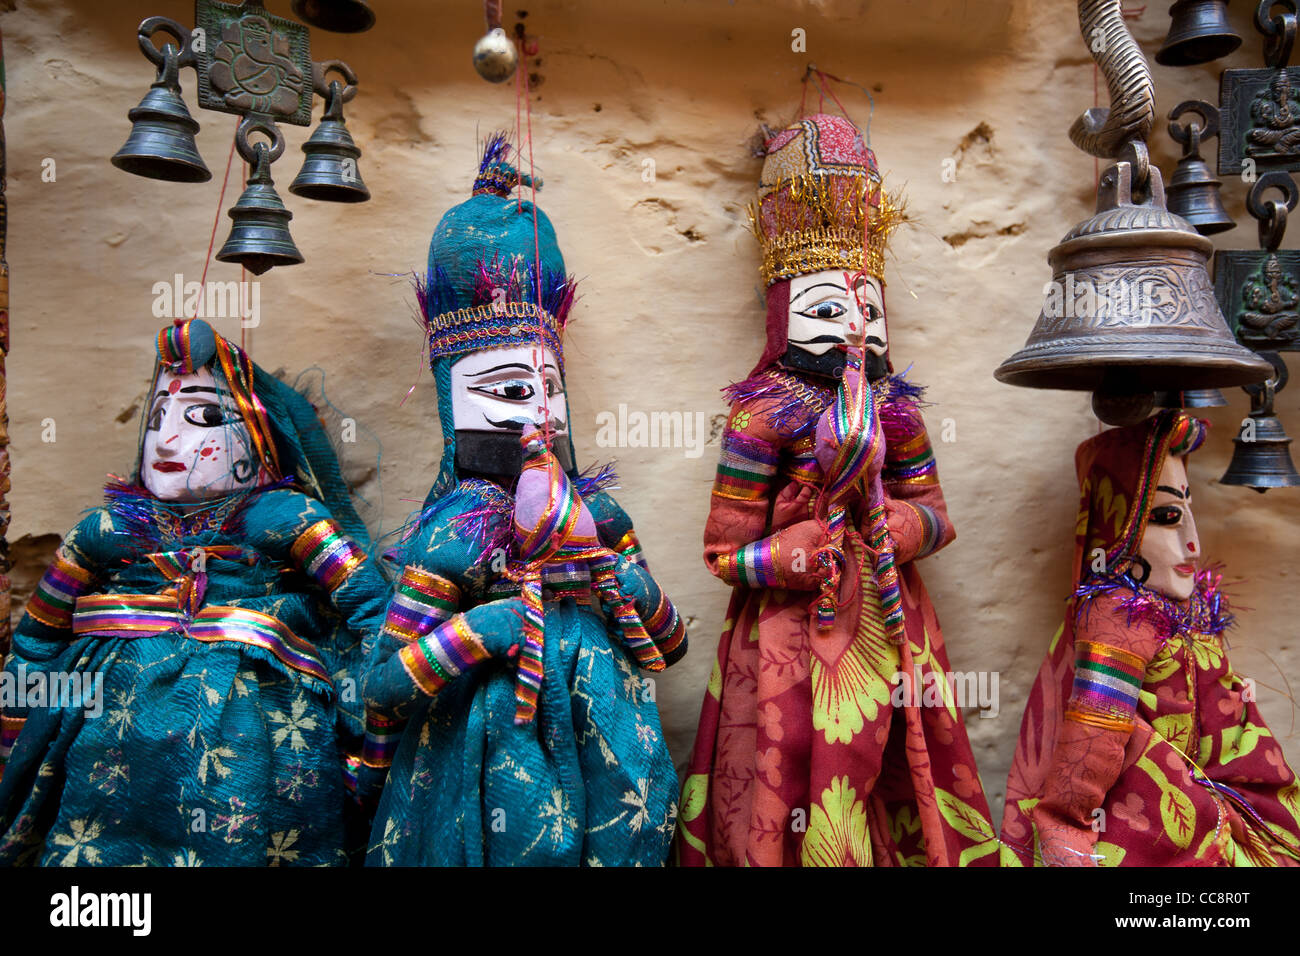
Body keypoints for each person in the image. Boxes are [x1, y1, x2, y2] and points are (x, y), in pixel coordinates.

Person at [676, 113, 997, 866]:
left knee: (896, 757)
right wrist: (789, 555)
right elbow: (724, 552)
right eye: (827, 309)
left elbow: (938, 519)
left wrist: (894, 528)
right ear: (785, 313)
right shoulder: (759, 415)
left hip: (893, 620)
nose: (855, 329)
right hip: (787, 635)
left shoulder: (898, 412)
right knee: (783, 772)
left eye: (870, 308)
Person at [361, 135, 687, 866]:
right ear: (453, 399)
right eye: (511, 390)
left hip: (617, 757)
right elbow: (382, 687)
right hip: (477, 769)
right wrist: (484, 630)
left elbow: (669, 648)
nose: (539, 413)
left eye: (550, 389)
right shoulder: (453, 536)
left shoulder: (601, 519)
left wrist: (621, 579)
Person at [0, 318, 387, 866]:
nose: (167, 438)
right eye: (157, 417)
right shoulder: (109, 530)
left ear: (260, 445)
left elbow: (370, 608)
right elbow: (38, 636)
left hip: (257, 718)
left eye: (204, 417)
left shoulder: (284, 518)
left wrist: (370, 721)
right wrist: (17, 720)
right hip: (106, 722)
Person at [1001, 410, 1300, 866]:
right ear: (1117, 525)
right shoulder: (1117, 617)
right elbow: (1095, 732)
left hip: (1225, 805)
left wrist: (1234, 697)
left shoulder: (1186, 608)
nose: (1193, 542)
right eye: (1165, 516)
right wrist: (1065, 824)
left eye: (1188, 510)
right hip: (1155, 827)